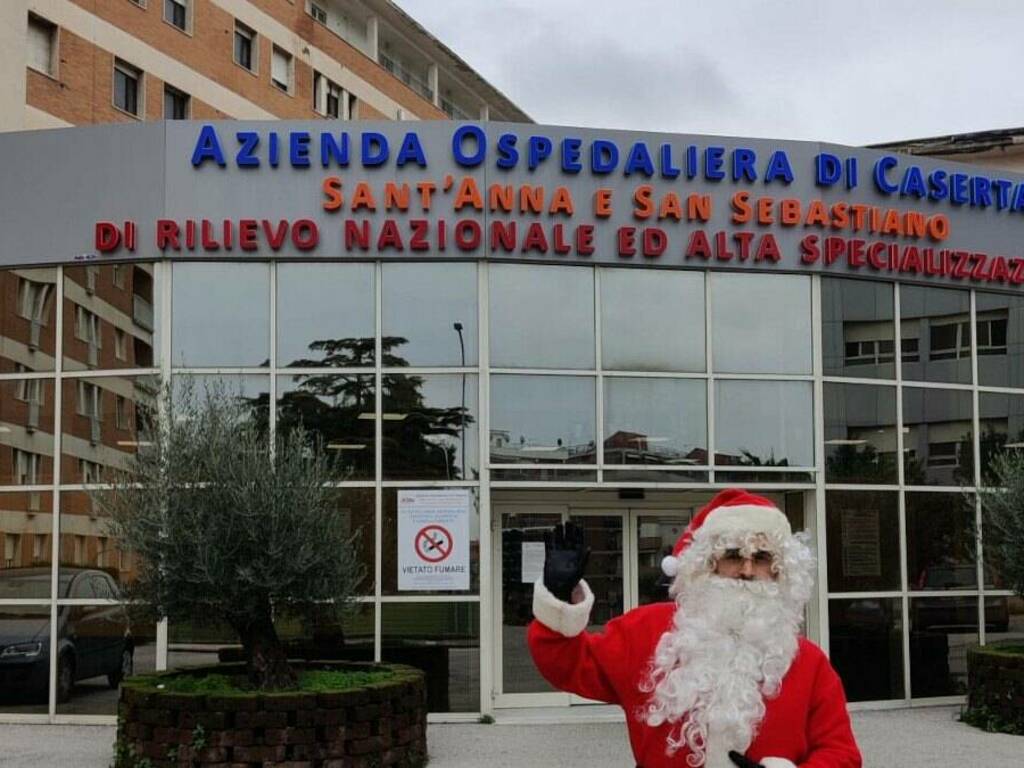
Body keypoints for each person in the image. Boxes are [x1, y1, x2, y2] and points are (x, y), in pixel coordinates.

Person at [528, 489, 862, 768]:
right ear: (707, 564)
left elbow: (842, 754)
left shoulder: (809, 661)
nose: (747, 570)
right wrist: (559, 598)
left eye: (761, 557)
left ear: (779, 571)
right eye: (733, 555)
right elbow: (568, 665)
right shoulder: (646, 632)